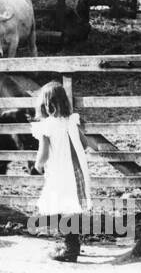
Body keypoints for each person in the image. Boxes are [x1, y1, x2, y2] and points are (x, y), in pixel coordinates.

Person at [30, 80, 94, 262]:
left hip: (59, 173)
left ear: (46, 105)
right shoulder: (70, 122)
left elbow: (42, 154)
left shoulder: (47, 126)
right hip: (75, 172)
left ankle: (70, 249)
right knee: (71, 209)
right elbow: (84, 143)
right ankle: (73, 245)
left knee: (60, 207)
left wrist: (37, 165)